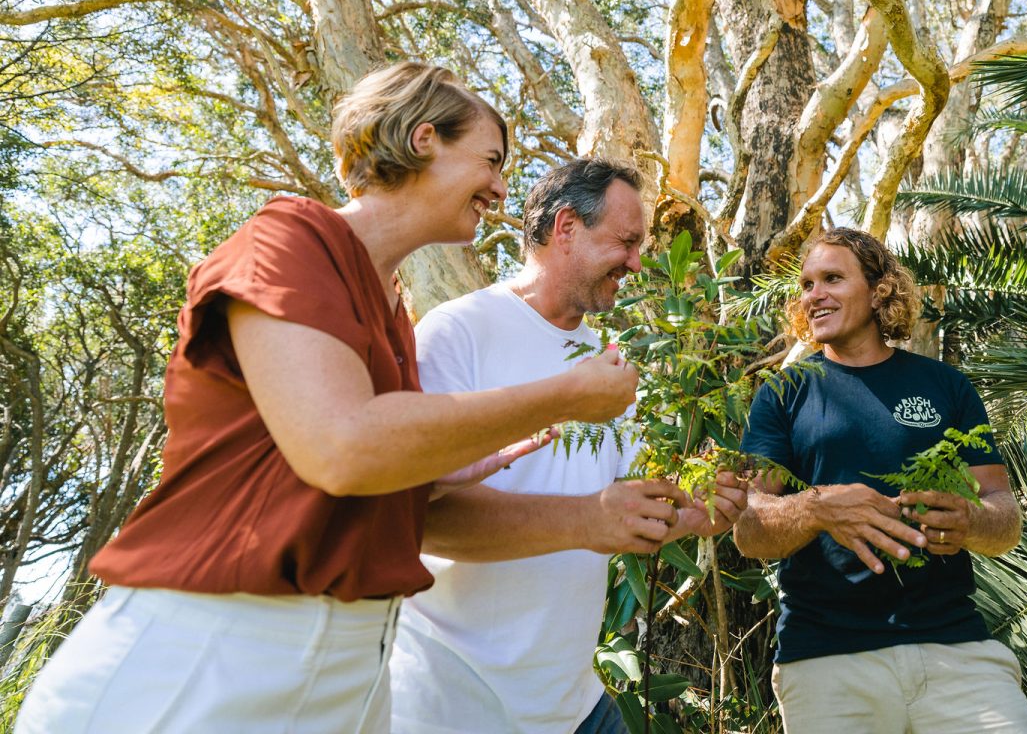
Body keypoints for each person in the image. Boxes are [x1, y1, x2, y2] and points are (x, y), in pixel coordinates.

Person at [16, 63, 638, 734]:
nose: (499, 185)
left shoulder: (395, 311)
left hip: (350, 670)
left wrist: (431, 479)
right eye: (489, 159)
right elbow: (344, 446)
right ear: (424, 139)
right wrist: (566, 395)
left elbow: (362, 477)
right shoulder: (290, 240)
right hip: (219, 652)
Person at [389, 157, 747, 734]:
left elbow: (618, 509)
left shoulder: (608, 362)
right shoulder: (459, 331)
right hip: (449, 694)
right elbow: (422, 518)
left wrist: (694, 512)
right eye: (626, 241)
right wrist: (586, 521)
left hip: (572, 701)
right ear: (565, 228)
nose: (636, 261)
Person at [733, 227, 1027, 734]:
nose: (815, 295)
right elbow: (748, 528)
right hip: (826, 659)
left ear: (880, 290)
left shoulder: (946, 385)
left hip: (956, 648)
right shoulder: (783, 392)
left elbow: (1004, 516)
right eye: (808, 284)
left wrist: (969, 520)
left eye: (832, 278)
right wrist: (817, 507)